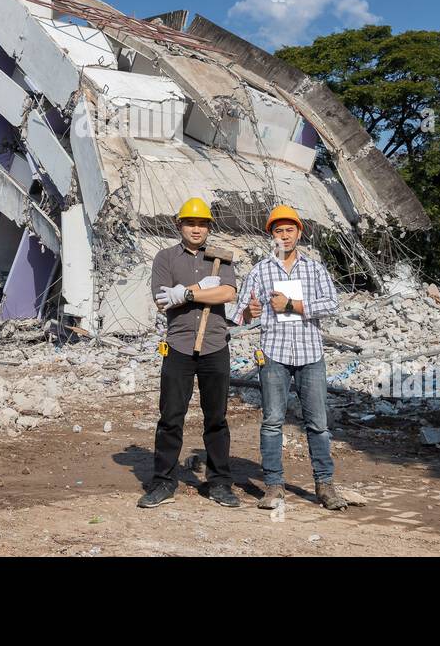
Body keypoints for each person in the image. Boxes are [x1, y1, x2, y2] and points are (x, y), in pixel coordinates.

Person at [239, 205, 350, 511]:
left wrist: (294, 305)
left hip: (310, 354)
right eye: (278, 231)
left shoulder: (314, 269)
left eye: (289, 230)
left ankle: (324, 485)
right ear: (270, 235)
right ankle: (274, 487)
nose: (284, 236)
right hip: (273, 354)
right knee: (272, 422)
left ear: (299, 233)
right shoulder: (259, 271)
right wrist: (251, 311)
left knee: (318, 424)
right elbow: (240, 312)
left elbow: (331, 304)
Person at [138, 197, 240, 509]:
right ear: (179, 225)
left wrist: (189, 291)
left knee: (216, 418)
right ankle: (164, 482)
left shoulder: (220, 259)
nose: (196, 229)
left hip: (214, 345)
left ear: (209, 227)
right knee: (170, 417)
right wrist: (191, 293)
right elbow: (162, 300)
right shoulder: (165, 258)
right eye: (190, 223)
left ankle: (220, 483)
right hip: (179, 345)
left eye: (202, 224)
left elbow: (228, 292)